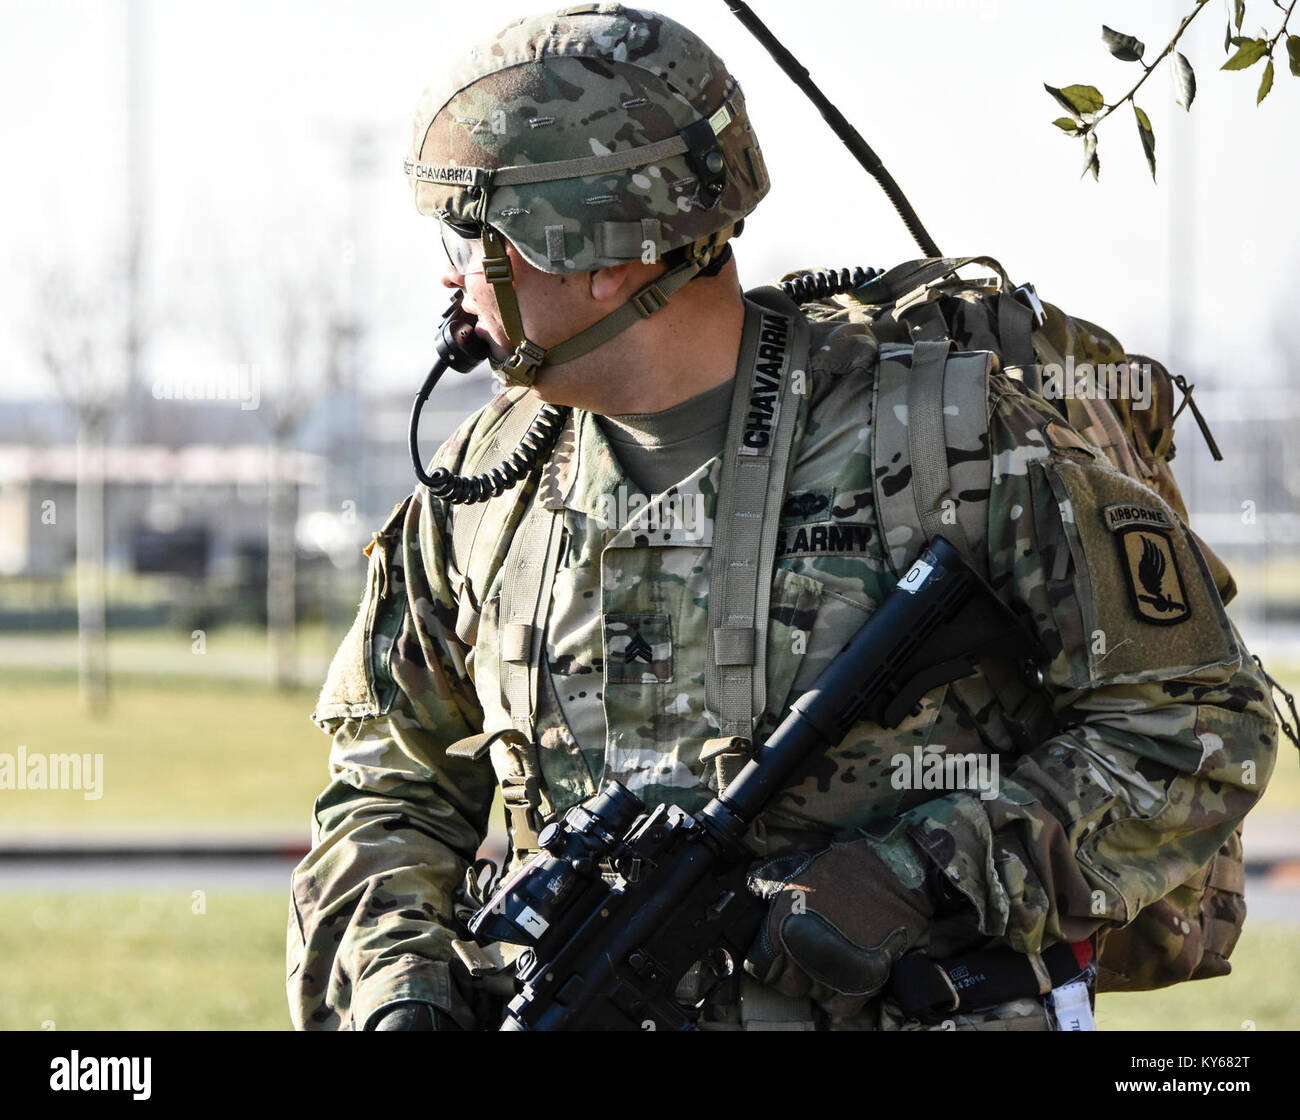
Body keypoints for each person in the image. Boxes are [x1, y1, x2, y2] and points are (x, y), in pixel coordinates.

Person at [286, 3, 1277, 1031]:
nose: (452, 274)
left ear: (598, 252)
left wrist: (916, 875)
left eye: (476, 231)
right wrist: (397, 987)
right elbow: (385, 788)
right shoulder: (484, 485)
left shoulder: (946, 440)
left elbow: (1198, 722)